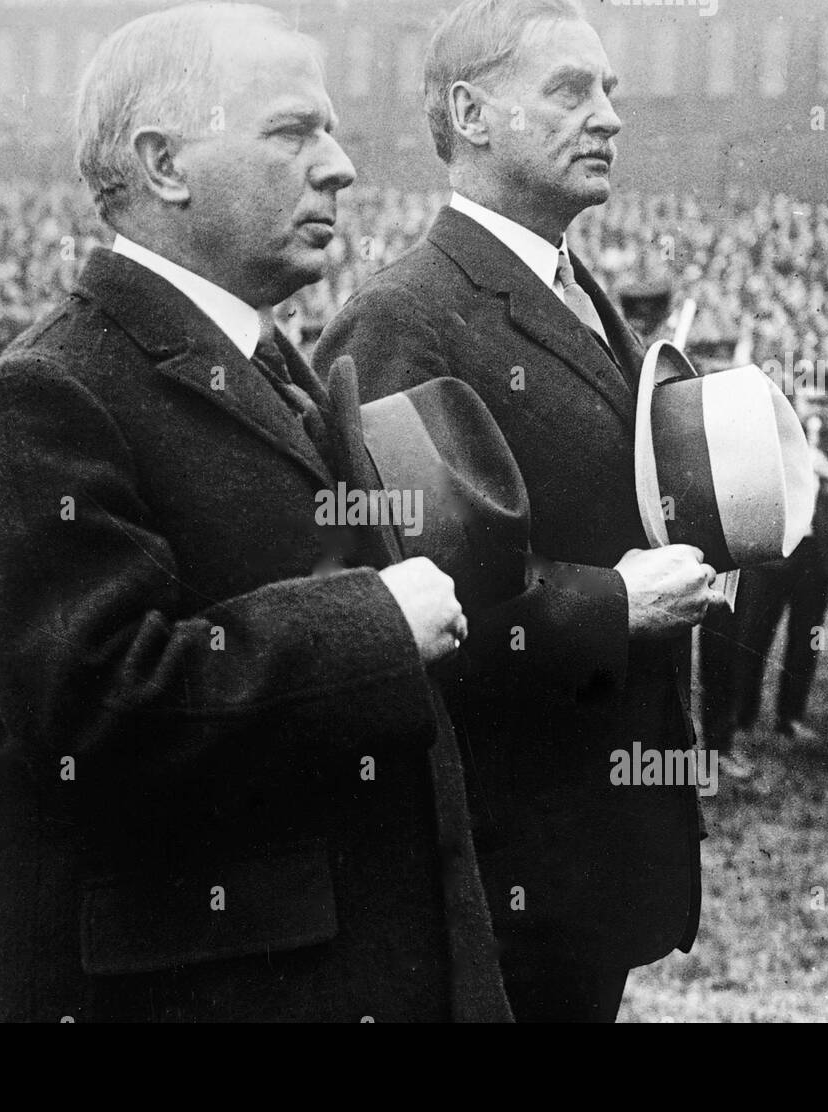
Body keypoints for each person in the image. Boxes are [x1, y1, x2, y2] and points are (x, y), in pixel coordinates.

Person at [0, 3, 506, 1023]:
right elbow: (97, 709)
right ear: (164, 164)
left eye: (330, 132)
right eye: (292, 131)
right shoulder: (48, 394)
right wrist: (372, 625)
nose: (337, 166)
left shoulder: (278, 361)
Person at [317, 0, 723, 1022]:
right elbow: (401, 607)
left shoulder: (581, 293)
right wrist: (614, 603)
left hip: (589, 843)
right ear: (472, 112)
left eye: (610, 93)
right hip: (494, 859)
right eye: (570, 90)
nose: (608, 117)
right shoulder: (405, 312)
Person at [732, 383, 828, 747]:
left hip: (815, 560)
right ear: (795, 402)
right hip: (773, 556)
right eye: (810, 399)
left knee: (806, 640)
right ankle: (743, 714)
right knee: (754, 637)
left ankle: (791, 715)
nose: (817, 408)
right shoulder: (774, 440)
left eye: (825, 401)